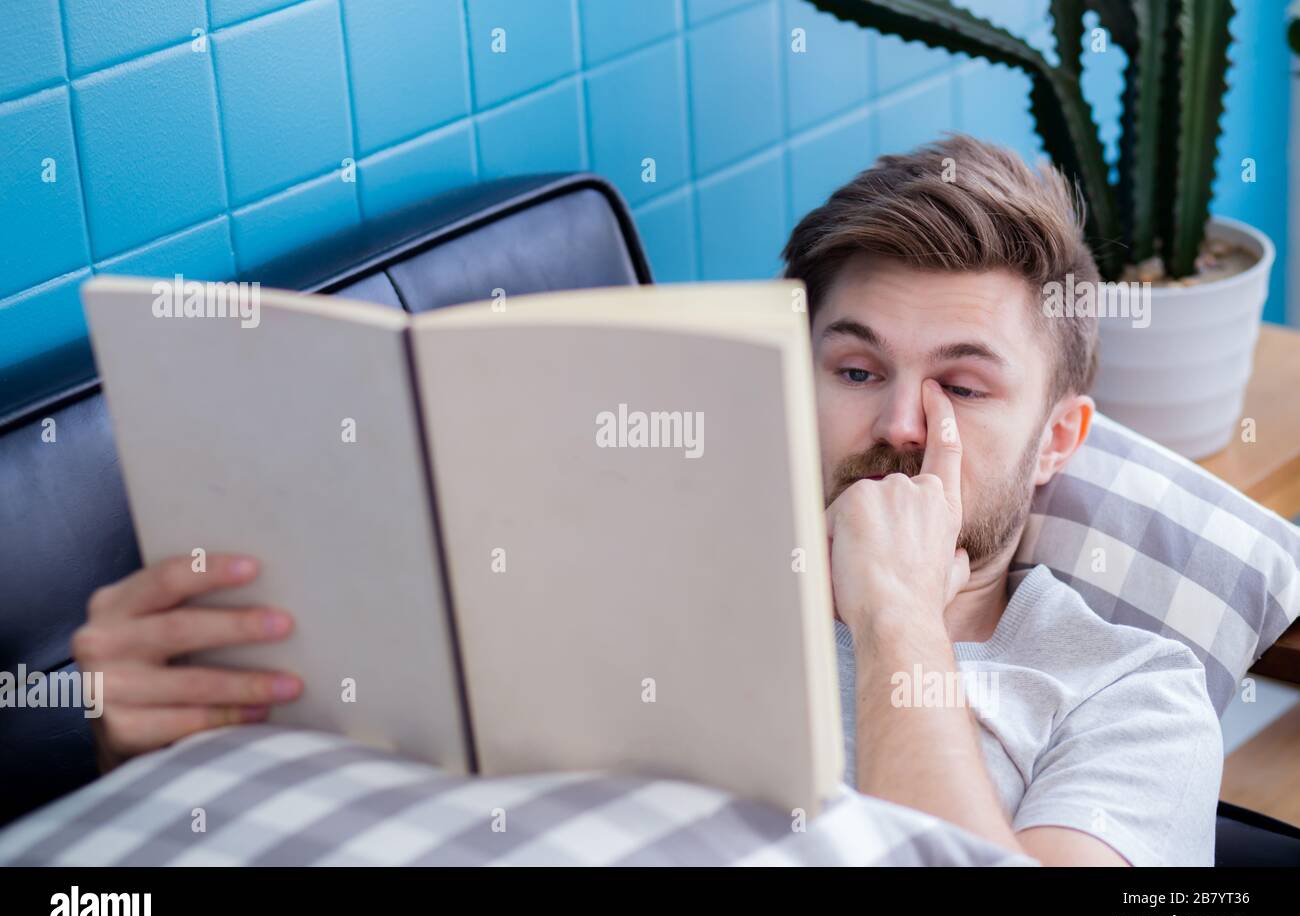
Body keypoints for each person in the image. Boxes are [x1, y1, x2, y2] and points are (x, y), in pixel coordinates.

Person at [73, 134, 1222, 867]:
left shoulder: (1130, 693)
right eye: (857, 370)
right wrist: (155, 745)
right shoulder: (617, 556)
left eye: (963, 385)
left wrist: (896, 619)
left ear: (1058, 438)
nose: (903, 428)